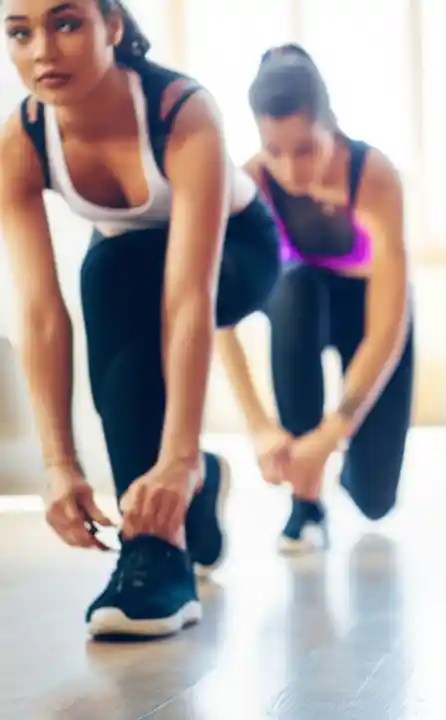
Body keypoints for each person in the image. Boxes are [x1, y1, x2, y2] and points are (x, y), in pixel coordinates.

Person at [0, 0, 280, 637]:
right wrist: (58, 465)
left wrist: (178, 455)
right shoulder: (20, 139)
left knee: (120, 275)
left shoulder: (180, 111)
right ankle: (159, 539)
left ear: (113, 28)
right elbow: (40, 313)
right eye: (19, 33)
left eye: (66, 23)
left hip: (238, 255)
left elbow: (188, 295)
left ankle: (162, 544)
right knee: (111, 275)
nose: (41, 49)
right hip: (132, 262)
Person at [215, 45, 412, 553]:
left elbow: (389, 320)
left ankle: (344, 471)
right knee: (295, 285)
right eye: (274, 150)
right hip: (299, 309)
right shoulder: (251, 181)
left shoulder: (374, 176)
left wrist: (338, 428)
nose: (290, 169)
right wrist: (259, 426)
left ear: (333, 124)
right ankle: (306, 505)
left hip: (369, 319)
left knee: (376, 501)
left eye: (305, 149)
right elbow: (220, 316)